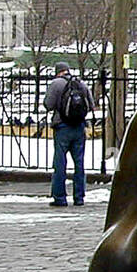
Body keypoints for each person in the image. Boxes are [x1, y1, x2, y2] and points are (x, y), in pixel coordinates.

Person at [44, 62, 94, 206]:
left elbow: (48, 104)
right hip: (79, 127)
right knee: (79, 162)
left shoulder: (56, 84)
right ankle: (79, 197)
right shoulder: (80, 83)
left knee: (60, 162)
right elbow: (90, 104)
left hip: (62, 127)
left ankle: (60, 197)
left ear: (57, 71)